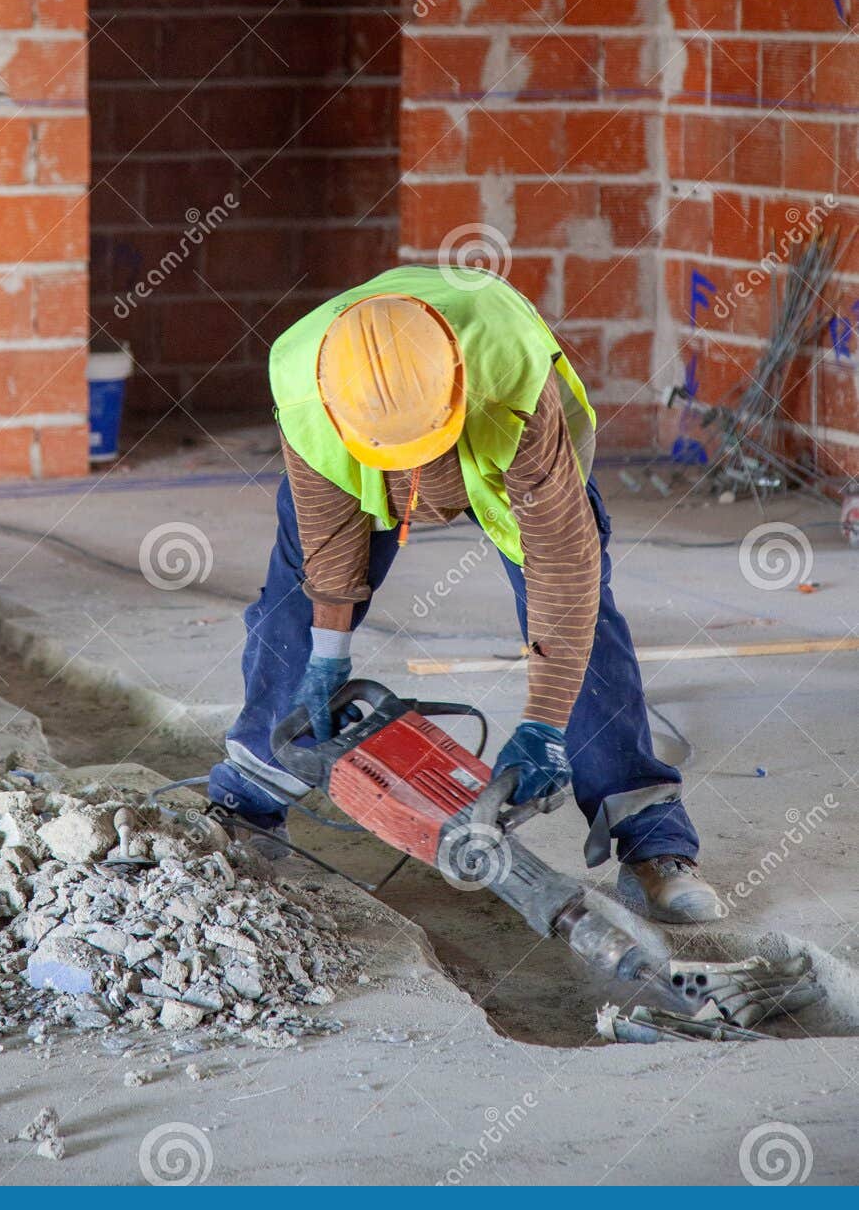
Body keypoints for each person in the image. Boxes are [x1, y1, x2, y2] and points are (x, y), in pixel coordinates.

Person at [208, 266, 723, 924]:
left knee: (581, 618)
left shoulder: (510, 372)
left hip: (500, 447)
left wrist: (541, 727)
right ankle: (248, 802)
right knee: (295, 611)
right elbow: (330, 541)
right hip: (355, 452)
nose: (415, 476)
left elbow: (560, 572)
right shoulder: (305, 383)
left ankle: (652, 843)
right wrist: (328, 652)